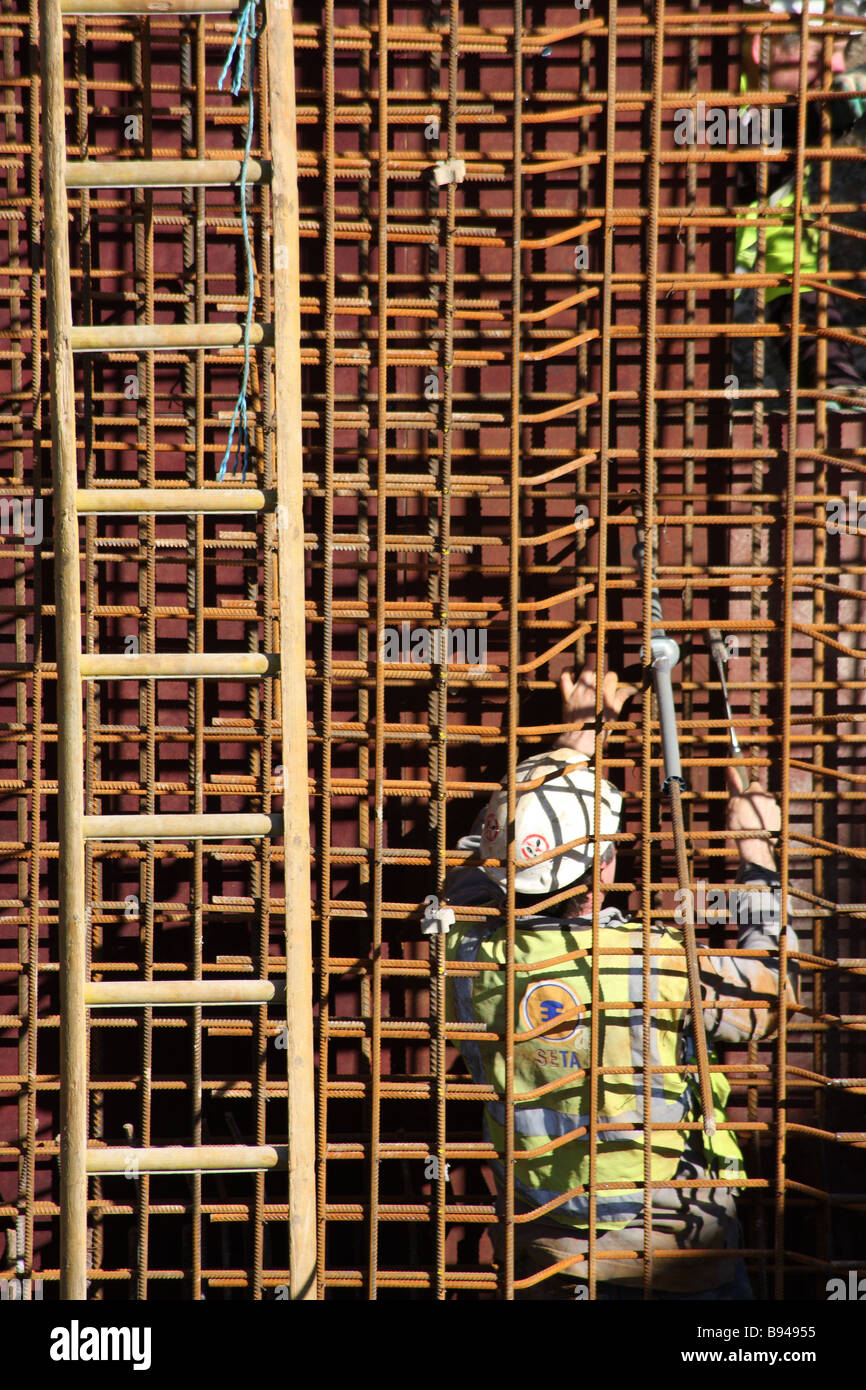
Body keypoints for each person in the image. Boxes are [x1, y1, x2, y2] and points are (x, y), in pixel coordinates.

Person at [438, 664, 799, 1299]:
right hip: (672, 1238)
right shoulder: (655, 963)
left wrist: (576, 738)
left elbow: (492, 869)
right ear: (606, 864)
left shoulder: (472, 953)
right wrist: (759, 852)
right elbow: (770, 996)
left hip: (546, 1240)